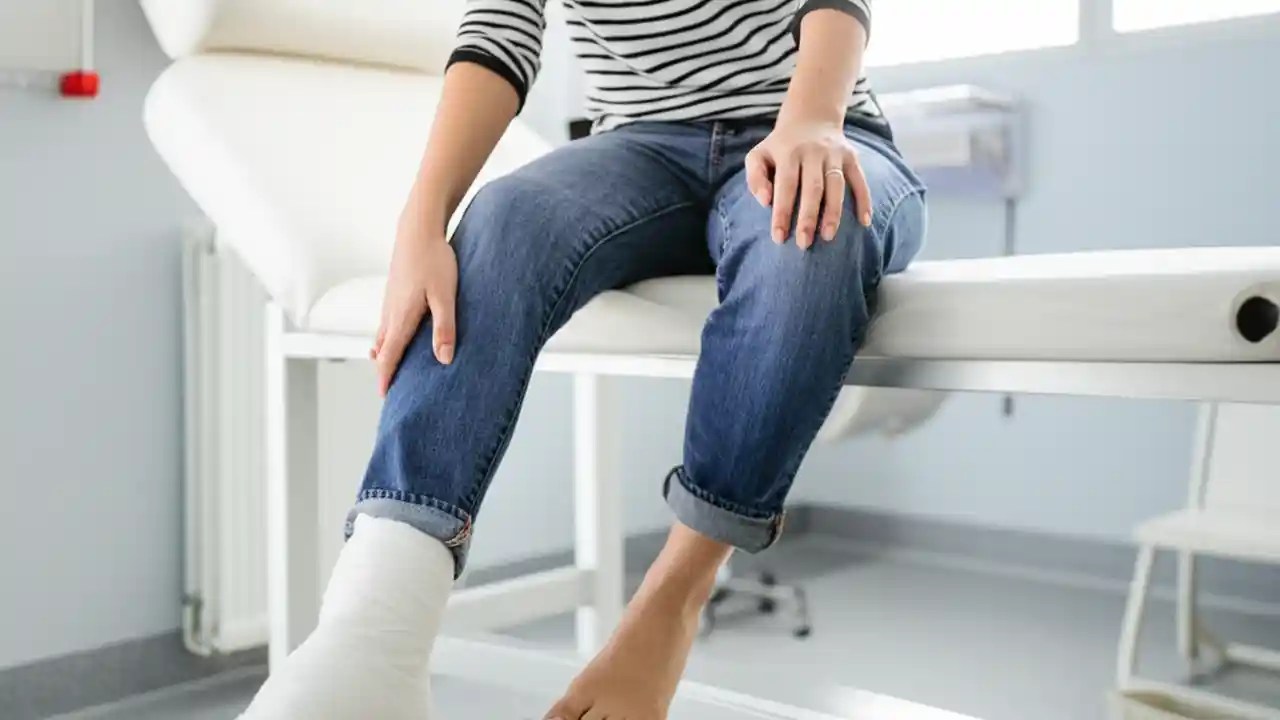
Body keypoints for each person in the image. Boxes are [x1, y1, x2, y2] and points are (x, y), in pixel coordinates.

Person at [241, 1, 926, 718]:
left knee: (810, 234)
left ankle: (671, 603)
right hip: (641, 147)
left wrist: (813, 119)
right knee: (504, 220)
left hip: (816, 120)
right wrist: (422, 222)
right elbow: (499, 33)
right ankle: (374, 632)